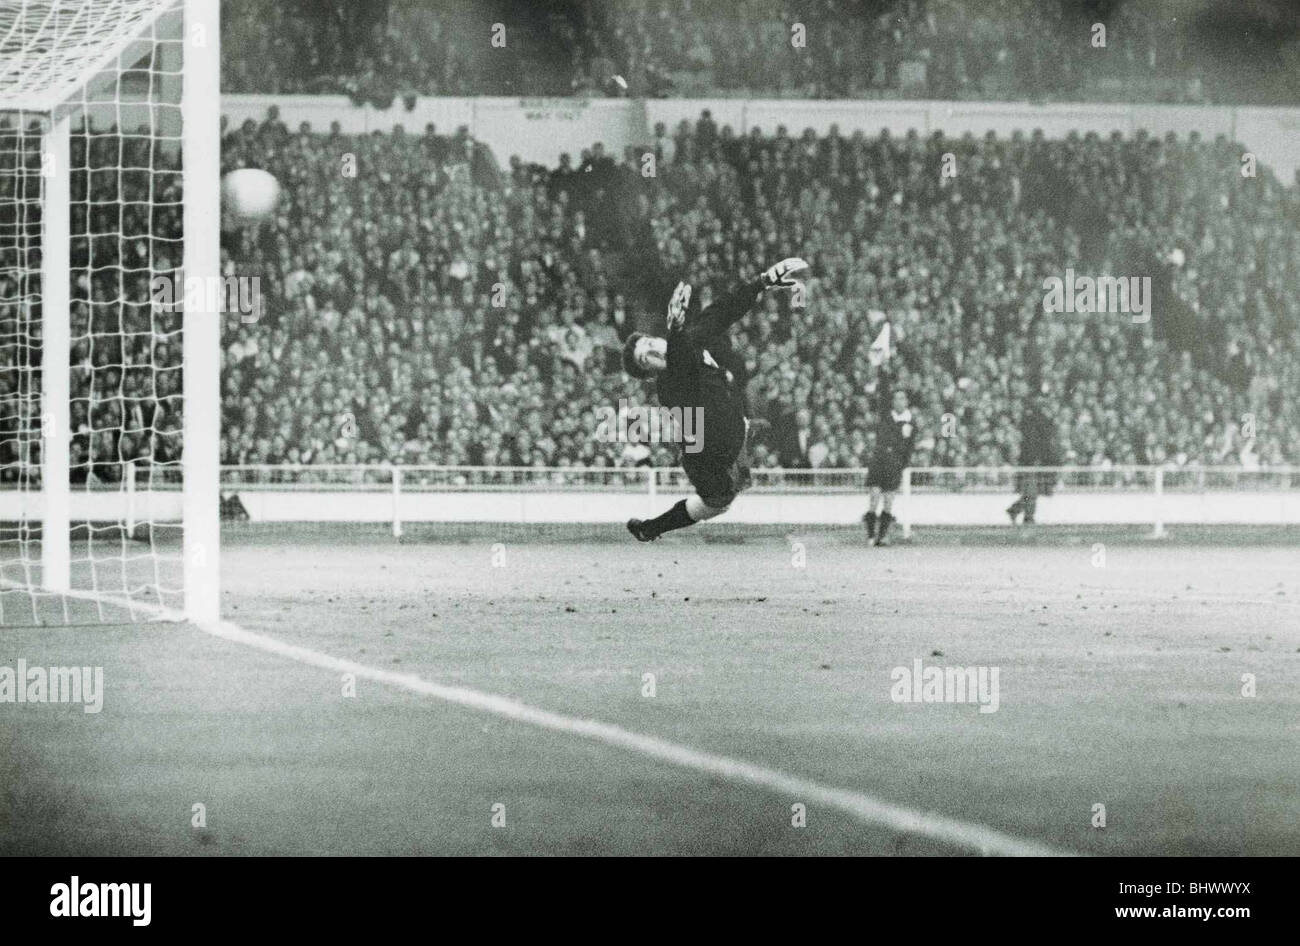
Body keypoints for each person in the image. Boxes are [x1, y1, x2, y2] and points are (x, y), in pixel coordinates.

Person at [621, 258, 809, 541]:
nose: (652, 352)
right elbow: (680, 362)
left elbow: (723, 311)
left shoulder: (689, 339)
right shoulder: (669, 386)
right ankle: (653, 527)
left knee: (720, 502)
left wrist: (762, 281)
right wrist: (675, 329)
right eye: (645, 358)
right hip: (706, 457)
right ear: (649, 375)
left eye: (649, 343)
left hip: (727, 428)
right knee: (718, 501)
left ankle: (650, 528)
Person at [862, 341, 916, 547]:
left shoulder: (911, 422)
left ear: (907, 402)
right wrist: (884, 367)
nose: (899, 402)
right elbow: (883, 391)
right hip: (879, 460)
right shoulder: (886, 415)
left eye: (902, 399)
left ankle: (883, 536)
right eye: (896, 399)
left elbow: (909, 447)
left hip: (894, 464)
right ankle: (870, 535)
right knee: (874, 497)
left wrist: (902, 465)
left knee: (889, 500)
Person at [1007, 391, 1059, 525]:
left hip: (1038, 461)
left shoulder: (1040, 419)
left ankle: (1016, 510)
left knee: (1032, 492)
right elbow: (1031, 442)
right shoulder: (1030, 420)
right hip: (1030, 461)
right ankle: (1028, 518)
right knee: (1032, 491)